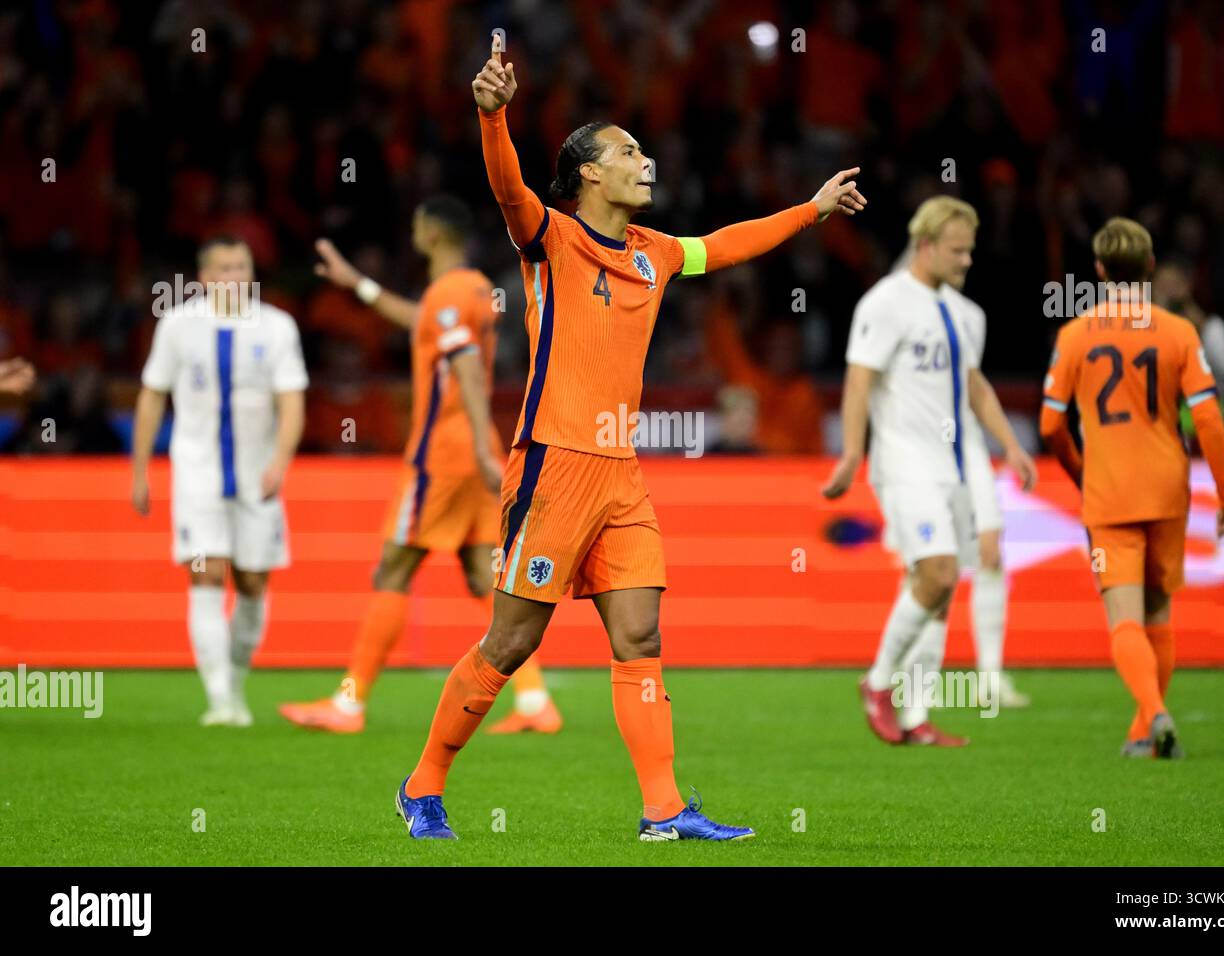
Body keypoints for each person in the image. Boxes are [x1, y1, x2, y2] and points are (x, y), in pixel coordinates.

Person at [395, 35, 865, 841]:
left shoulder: (653, 253)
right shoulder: (547, 237)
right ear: (590, 173)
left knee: (640, 635)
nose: (646, 161)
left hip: (621, 473)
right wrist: (494, 117)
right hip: (552, 464)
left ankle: (663, 811)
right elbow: (507, 188)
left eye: (644, 150)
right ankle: (423, 783)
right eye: (628, 152)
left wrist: (810, 211)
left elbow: (727, 243)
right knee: (510, 640)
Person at [279, 198, 561, 735]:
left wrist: (479, 446)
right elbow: (426, 323)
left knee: (394, 568)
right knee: (484, 576)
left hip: (443, 456)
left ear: (431, 234)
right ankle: (534, 702)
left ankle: (349, 702)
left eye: (416, 226)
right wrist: (357, 284)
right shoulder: (471, 288)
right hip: (469, 451)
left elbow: (465, 367)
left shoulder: (450, 292)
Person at [823, 197, 1037, 746]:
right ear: (926, 245)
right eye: (957, 251)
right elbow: (858, 379)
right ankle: (877, 684)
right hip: (904, 463)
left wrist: (1010, 445)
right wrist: (852, 452)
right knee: (939, 573)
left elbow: (975, 385)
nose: (967, 262)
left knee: (938, 593)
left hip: (953, 466)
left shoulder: (963, 314)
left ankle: (915, 717)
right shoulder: (887, 302)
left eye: (970, 250)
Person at [1039, 217, 1224, 758]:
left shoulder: (1075, 335)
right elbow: (1211, 421)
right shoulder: (1179, 333)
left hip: (1108, 493)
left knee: (1123, 617)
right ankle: (1143, 733)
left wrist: (1080, 470)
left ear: (1100, 271)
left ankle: (1152, 715)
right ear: (1151, 266)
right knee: (1157, 615)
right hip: (1167, 489)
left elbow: (1048, 425)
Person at [132, 236, 307, 726]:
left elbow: (291, 401)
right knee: (206, 573)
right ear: (205, 277)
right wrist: (140, 470)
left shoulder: (276, 327)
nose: (236, 277)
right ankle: (220, 698)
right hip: (197, 472)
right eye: (225, 268)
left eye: (243, 267)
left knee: (252, 581)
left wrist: (280, 462)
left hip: (257, 476)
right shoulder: (178, 325)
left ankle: (233, 680)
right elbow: (151, 395)